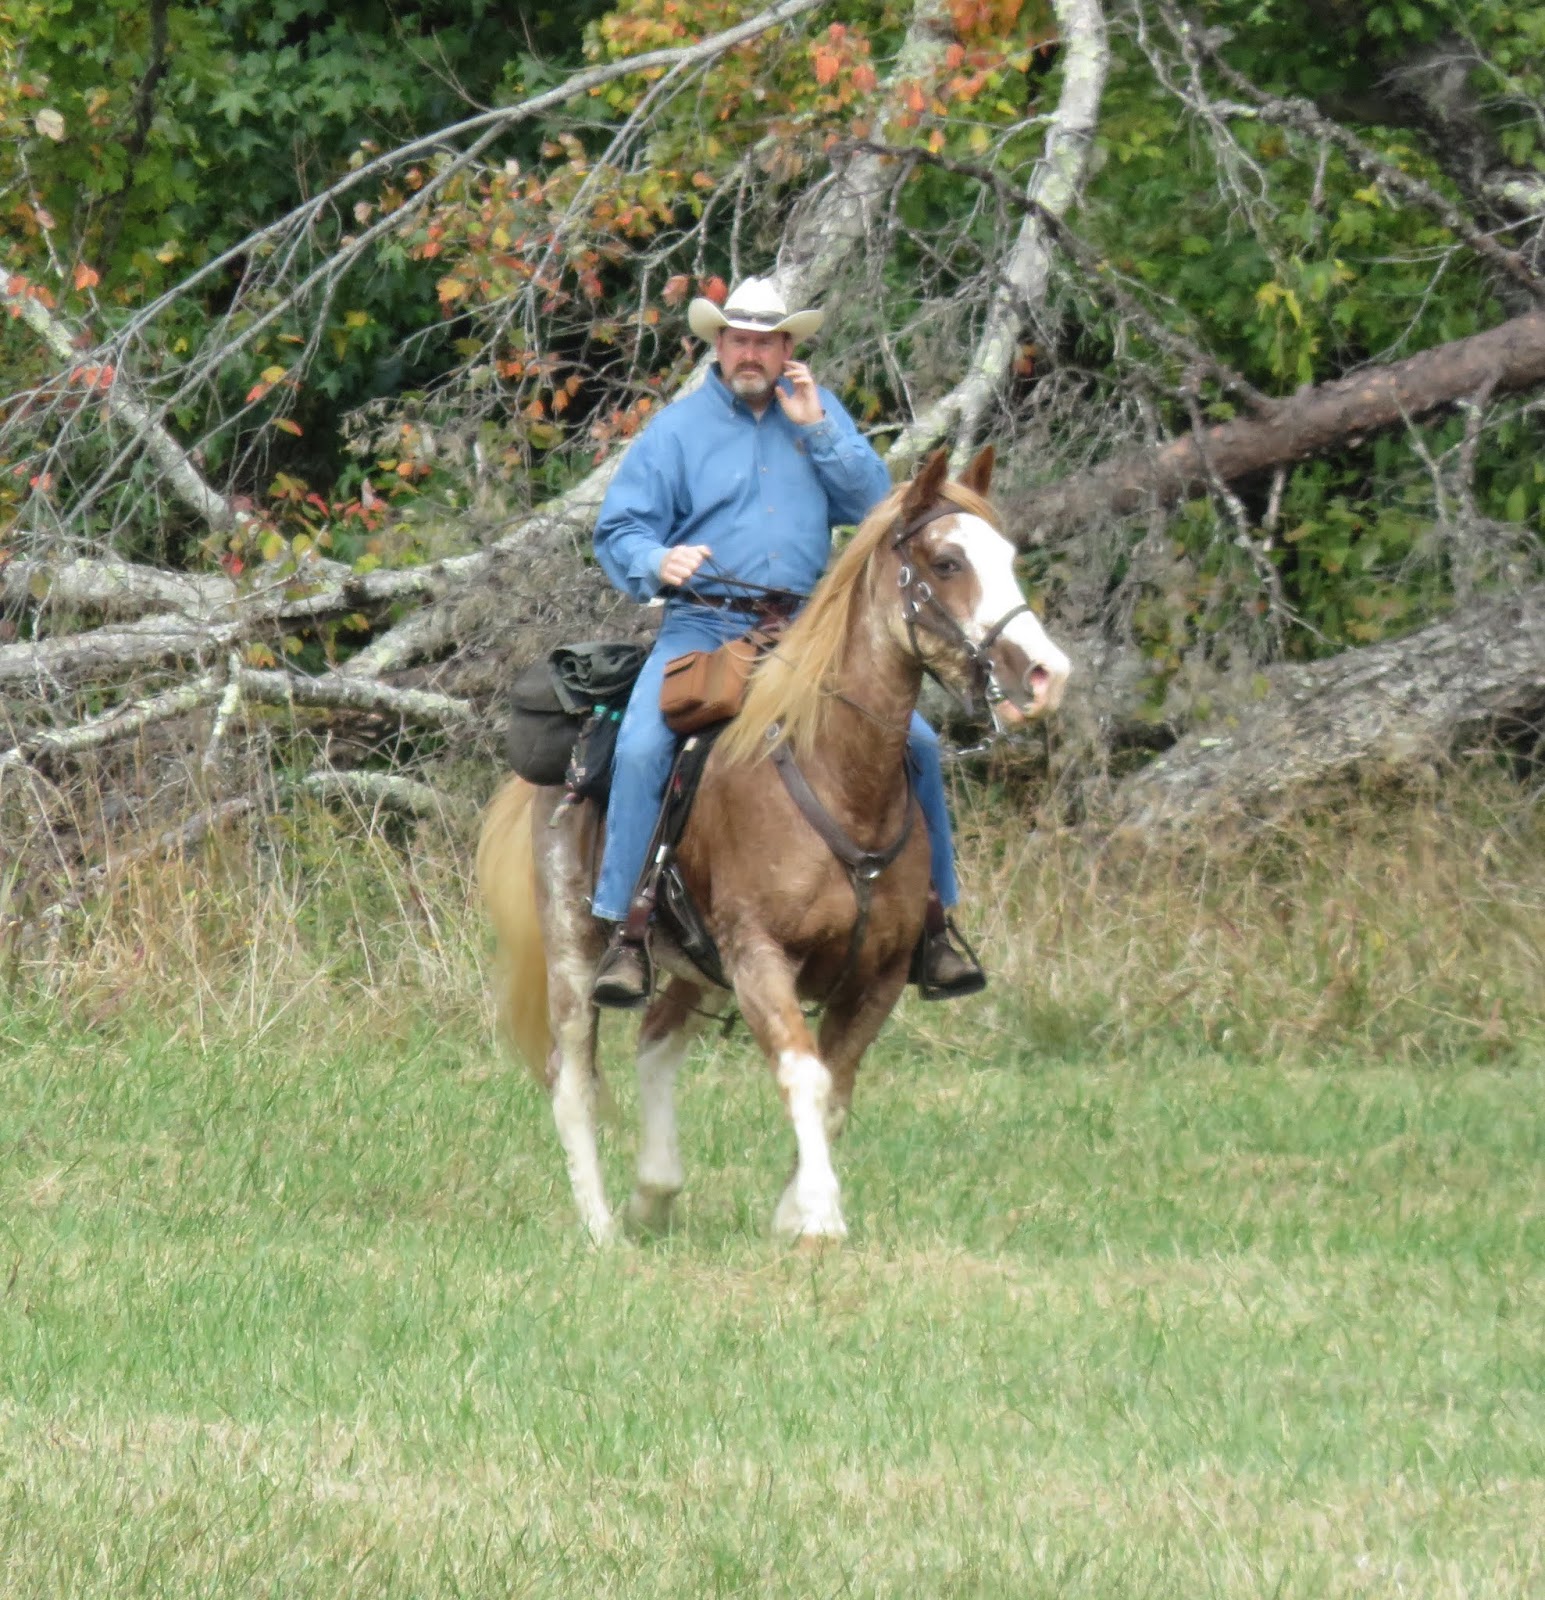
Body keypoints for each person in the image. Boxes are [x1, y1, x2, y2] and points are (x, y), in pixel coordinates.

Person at [587, 275, 984, 1008]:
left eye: (765, 341)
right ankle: (627, 932)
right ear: (718, 344)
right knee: (644, 747)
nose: (750, 353)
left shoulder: (817, 414)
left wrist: (820, 431)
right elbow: (618, 530)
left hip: (806, 631)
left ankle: (935, 926)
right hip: (703, 626)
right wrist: (656, 561)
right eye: (738, 338)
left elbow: (880, 512)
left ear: (787, 349)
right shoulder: (675, 432)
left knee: (919, 745)